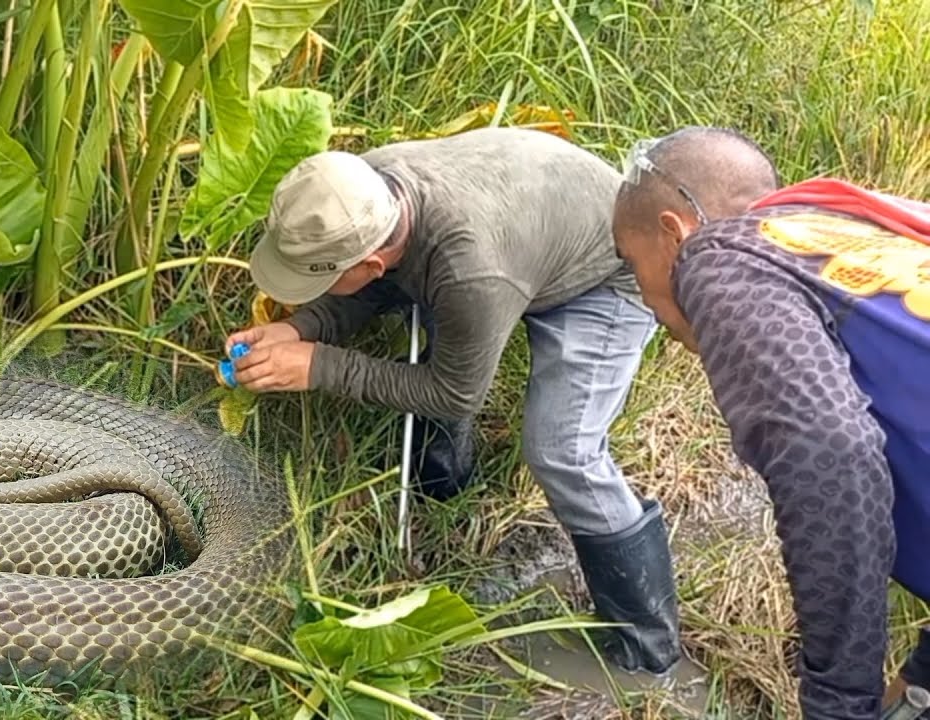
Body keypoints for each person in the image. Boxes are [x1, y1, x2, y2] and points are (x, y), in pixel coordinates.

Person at [224, 126, 681, 676]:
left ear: (368, 261)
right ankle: (445, 490)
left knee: (561, 450)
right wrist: (302, 327)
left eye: (312, 278)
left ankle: (646, 643)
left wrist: (320, 366)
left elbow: (454, 391)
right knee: (455, 312)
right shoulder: (363, 189)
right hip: (519, 242)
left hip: (605, 276)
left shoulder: (471, 270)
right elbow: (376, 285)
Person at [611, 125, 930, 719]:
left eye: (633, 267)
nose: (648, 301)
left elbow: (830, 451)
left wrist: (838, 704)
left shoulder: (715, 257)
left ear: (671, 233)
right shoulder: (834, 226)